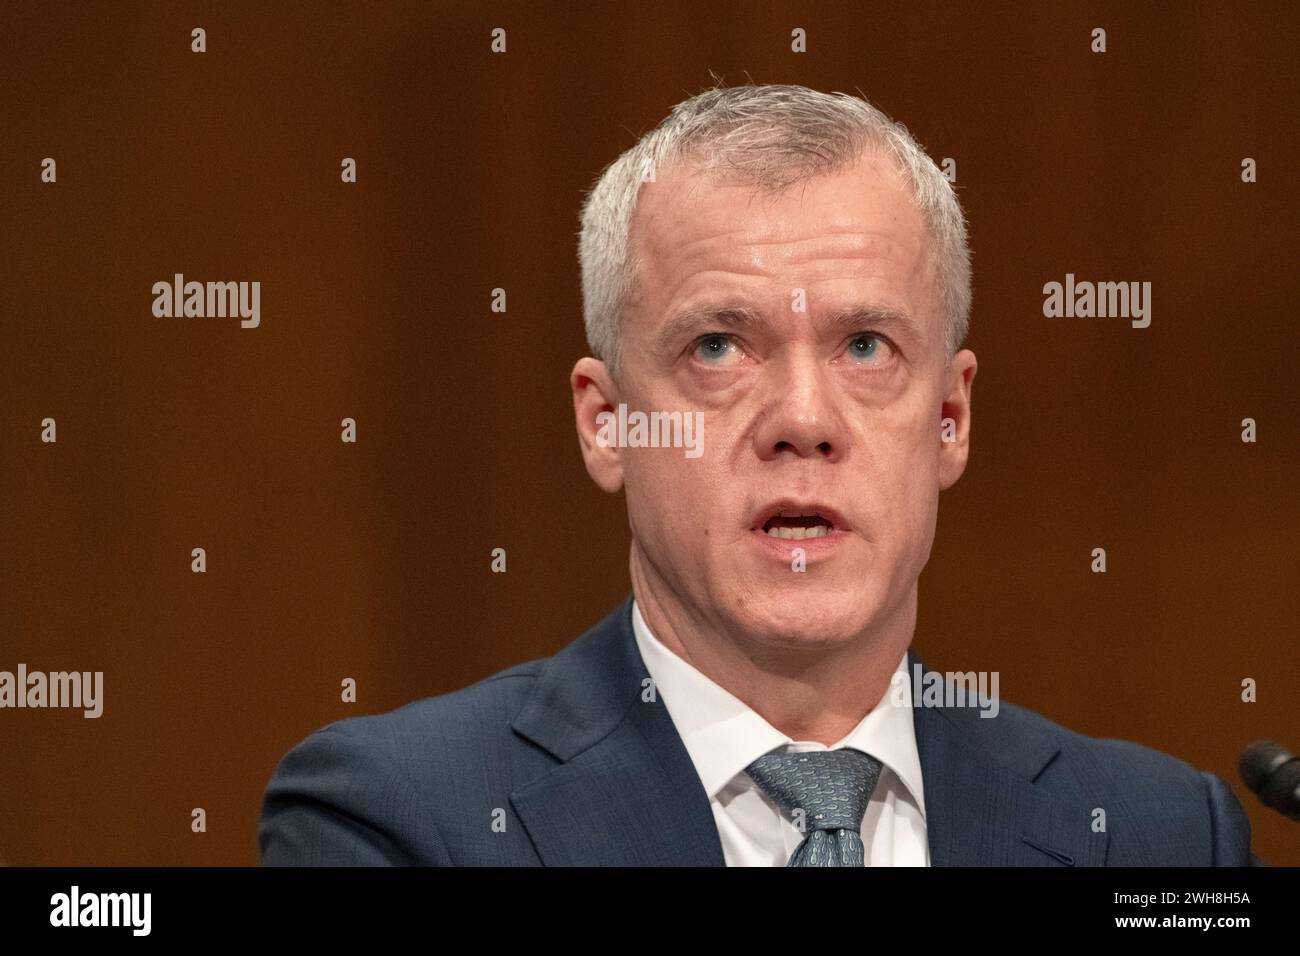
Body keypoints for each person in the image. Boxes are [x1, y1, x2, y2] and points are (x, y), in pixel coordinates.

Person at [259, 82, 1259, 866]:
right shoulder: (399, 817)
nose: (803, 421)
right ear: (608, 424)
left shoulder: (1159, 834)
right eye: (717, 347)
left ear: (948, 419)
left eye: (865, 346)